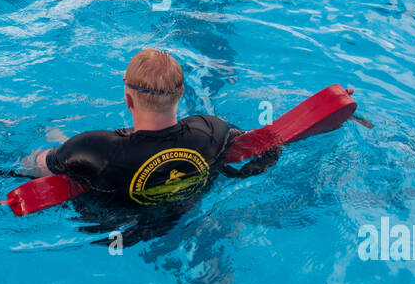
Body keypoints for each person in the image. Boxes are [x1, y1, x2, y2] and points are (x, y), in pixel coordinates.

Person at [24, 49, 277, 207]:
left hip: (117, 225)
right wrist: (244, 175)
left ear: (128, 99)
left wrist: (59, 150)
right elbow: (268, 144)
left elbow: (32, 166)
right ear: (180, 95)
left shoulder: (94, 149)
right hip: (187, 209)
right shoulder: (209, 131)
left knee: (56, 138)